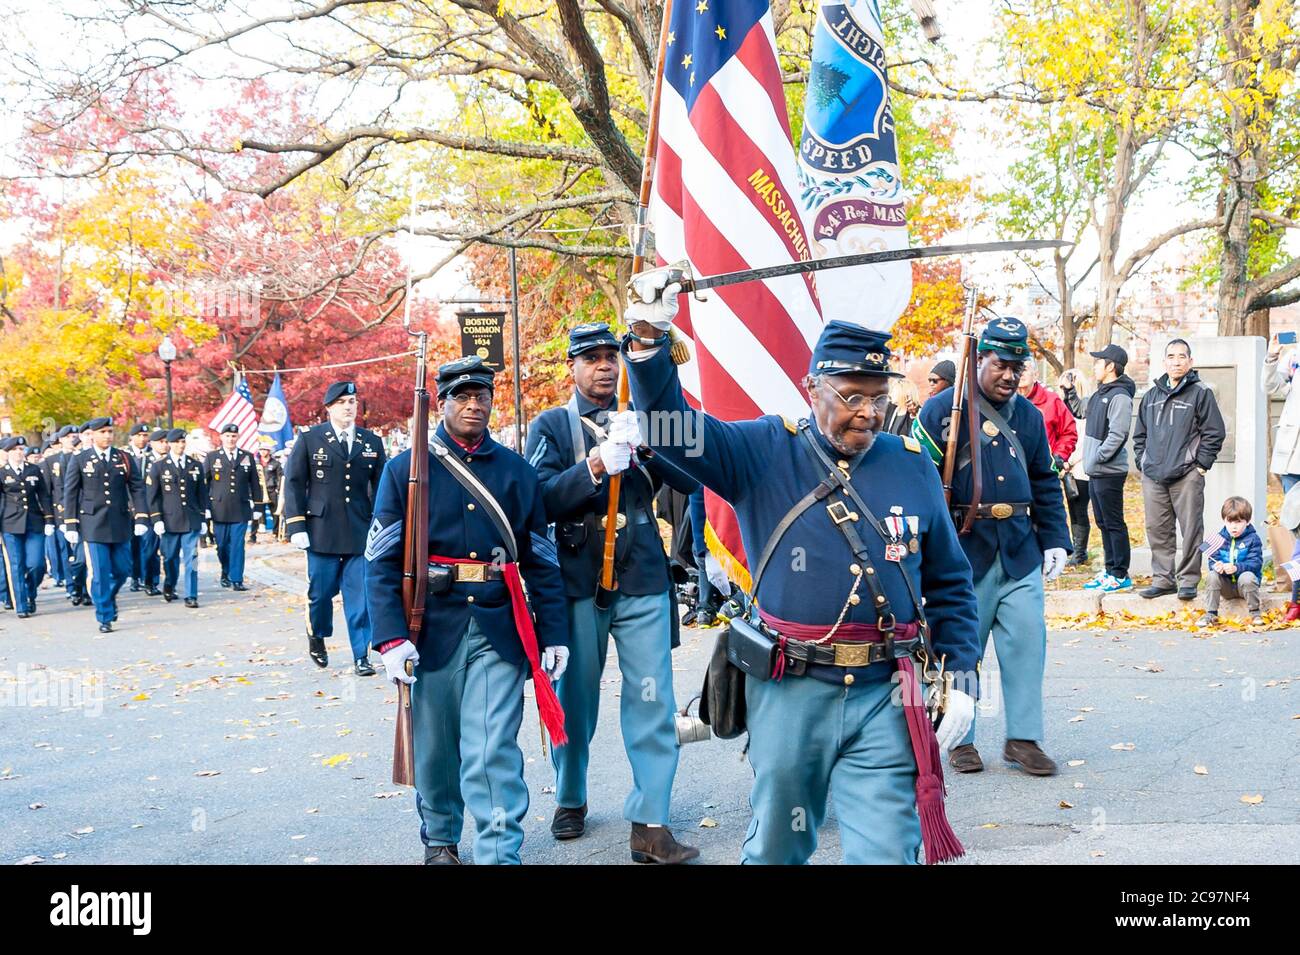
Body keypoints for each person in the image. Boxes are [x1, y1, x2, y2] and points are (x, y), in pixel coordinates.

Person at [623, 272, 980, 865]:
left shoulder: (912, 466)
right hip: (791, 689)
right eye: (851, 396)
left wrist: (962, 676)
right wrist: (647, 338)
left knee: (892, 850)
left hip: (887, 691)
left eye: (878, 396)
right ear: (811, 386)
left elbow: (948, 580)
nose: (867, 412)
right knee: (776, 847)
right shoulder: (764, 450)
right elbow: (667, 431)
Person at [366, 356, 570, 865]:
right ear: (442, 402)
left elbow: (542, 562)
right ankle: (440, 837)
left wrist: (554, 633)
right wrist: (391, 638)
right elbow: (380, 561)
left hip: (498, 626)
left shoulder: (517, 472)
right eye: (462, 396)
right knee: (435, 750)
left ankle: (499, 853)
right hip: (430, 626)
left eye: (482, 395)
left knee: (492, 749)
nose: (474, 404)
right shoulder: (404, 471)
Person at [524, 322, 701, 863]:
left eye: (611, 356)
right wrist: (596, 464)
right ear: (573, 367)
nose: (604, 365)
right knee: (575, 699)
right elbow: (540, 501)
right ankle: (571, 795)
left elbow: (694, 478)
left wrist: (650, 446)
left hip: (644, 574)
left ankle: (651, 822)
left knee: (652, 699)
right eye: (592, 357)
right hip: (579, 577)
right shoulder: (552, 425)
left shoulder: (646, 416)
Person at [915, 316, 1071, 777]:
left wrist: (1056, 539)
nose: (1009, 375)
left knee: (1027, 644)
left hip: (1020, 546)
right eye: (1000, 364)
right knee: (963, 648)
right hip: (964, 550)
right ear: (979, 358)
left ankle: (1022, 738)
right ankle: (960, 737)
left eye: (1016, 367)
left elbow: (1044, 479)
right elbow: (920, 483)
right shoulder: (940, 411)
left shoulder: (1027, 415)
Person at [283, 381, 385, 675]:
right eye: (342, 403)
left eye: (352, 402)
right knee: (320, 595)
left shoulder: (371, 442)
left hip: (359, 531)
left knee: (361, 597)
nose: (349, 407)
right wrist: (296, 525)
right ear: (328, 408)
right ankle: (318, 634)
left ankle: (360, 655)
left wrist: (382, 526)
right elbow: (293, 484)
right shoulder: (310, 439)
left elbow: (381, 489)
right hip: (321, 531)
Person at [1133, 338, 1226, 600]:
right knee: (1157, 530)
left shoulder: (1200, 393)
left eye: (1182, 356)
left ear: (1190, 361)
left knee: (1191, 529)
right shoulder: (1151, 396)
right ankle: (1163, 580)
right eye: (1171, 357)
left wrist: (1201, 466)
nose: (1176, 361)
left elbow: (1214, 432)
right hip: (1153, 476)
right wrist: (1142, 461)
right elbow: (1139, 435)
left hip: (1187, 475)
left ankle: (1188, 581)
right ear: (1164, 362)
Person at [62, 417, 148, 633]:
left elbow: (137, 488)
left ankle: (108, 598)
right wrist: (70, 524)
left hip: (119, 522)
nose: (108, 436)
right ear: (93, 434)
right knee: (100, 572)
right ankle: (104, 616)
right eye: (103, 432)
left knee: (123, 569)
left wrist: (142, 517)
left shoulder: (124, 458)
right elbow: (70, 492)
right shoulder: (81, 459)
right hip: (93, 524)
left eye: (110, 431)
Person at [1061, 345, 1136, 591]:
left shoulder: (1120, 396)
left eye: (1098, 362)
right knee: (1103, 522)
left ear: (1111, 366)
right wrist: (1070, 391)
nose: (1094, 366)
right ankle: (1108, 570)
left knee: (1114, 522)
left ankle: (1120, 573)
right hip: (1097, 471)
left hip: (1109, 471)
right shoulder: (1099, 394)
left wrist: (1098, 457)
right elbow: (1081, 411)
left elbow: (1118, 434)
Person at [148, 429, 208, 608]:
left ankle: (191, 594)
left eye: (183, 442)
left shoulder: (195, 465)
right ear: (170, 444)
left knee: (192, 559)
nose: (181, 446)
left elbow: (202, 493)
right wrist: (156, 519)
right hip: (169, 521)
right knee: (170, 558)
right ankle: (170, 584)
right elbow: (153, 496)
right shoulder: (159, 466)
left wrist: (204, 517)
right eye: (177, 443)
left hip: (191, 520)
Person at [205, 424, 264, 591]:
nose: (231, 439)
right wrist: (205, 507)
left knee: (237, 544)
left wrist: (258, 505)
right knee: (222, 545)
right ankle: (225, 571)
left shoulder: (247, 456)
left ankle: (237, 578)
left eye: (234, 436)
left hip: (241, 508)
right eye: (227, 436)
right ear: (221, 438)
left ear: (238, 437)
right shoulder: (212, 457)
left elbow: (255, 483)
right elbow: (204, 483)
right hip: (219, 508)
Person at [0, 437, 54, 618]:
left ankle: (30, 592)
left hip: (33, 523)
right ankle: (21, 605)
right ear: (8, 452)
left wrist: (49, 520)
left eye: (21, 449)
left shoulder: (34, 470)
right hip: (10, 524)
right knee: (16, 565)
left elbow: (44, 496)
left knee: (36, 564)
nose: (18, 452)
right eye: (15, 449)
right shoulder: (2, 473)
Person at [1197, 496, 1264, 627]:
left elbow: (1255, 563)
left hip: (1244, 586)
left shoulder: (1253, 539)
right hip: (1226, 586)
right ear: (1224, 520)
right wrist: (1217, 566)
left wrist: (1237, 567)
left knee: (1247, 577)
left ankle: (1255, 612)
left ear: (1247, 521)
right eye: (1230, 522)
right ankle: (1211, 613)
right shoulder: (1218, 539)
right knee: (1212, 575)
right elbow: (1212, 560)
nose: (1234, 527)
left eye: (1238, 522)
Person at [1262, 335, 1300, 492]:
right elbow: (1269, 386)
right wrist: (1272, 357)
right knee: (1292, 513)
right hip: (1294, 458)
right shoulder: (1294, 357)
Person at [40, 426, 75, 592]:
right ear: (61, 440)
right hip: (60, 511)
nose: (72, 439)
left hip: (83, 511)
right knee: (65, 550)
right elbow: (47, 492)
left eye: (75, 436)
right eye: (68, 437)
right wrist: (50, 518)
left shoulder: (83, 457)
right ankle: (70, 585)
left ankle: (83, 584)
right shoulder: (50, 461)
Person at [124, 423, 154, 591]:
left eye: (145, 436)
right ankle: (135, 577)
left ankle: (148, 578)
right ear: (132, 438)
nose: (142, 439)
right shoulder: (124, 456)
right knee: (133, 545)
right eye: (139, 436)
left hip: (148, 508)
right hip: (128, 508)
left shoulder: (151, 457)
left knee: (148, 545)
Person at [251, 442, 282, 541]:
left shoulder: (275, 463)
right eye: (261, 450)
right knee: (257, 512)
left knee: (275, 512)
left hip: (271, 490)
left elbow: (280, 477)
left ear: (269, 451)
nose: (262, 452)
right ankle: (253, 535)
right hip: (259, 491)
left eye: (265, 449)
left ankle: (276, 532)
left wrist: (278, 488)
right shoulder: (256, 463)